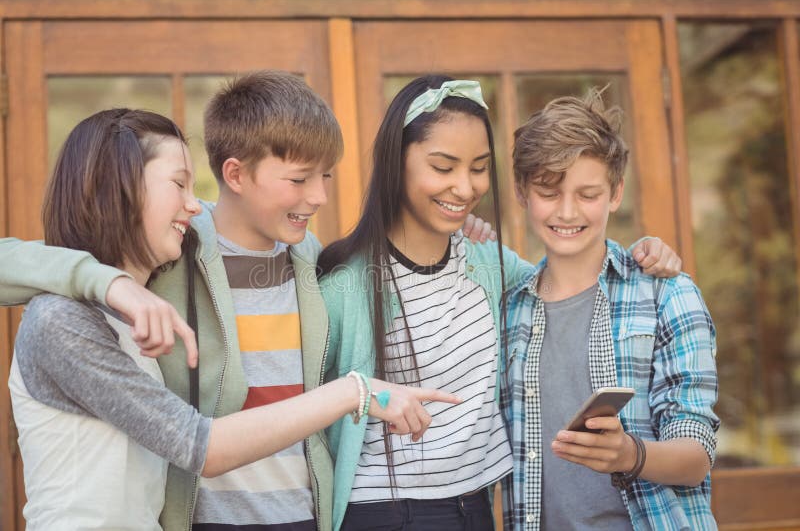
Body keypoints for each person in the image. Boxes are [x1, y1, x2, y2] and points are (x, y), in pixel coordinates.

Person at [3, 73, 456, 531]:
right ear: (118, 189)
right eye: (179, 185)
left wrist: (457, 234)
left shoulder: (305, 261)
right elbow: (202, 446)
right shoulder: (68, 317)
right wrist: (110, 283)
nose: (193, 203)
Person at [316, 75, 682, 531]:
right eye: (443, 167)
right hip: (384, 511)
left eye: (478, 167)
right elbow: (307, 410)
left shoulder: (491, 265)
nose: (465, 187)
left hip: (476, 507)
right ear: (398, 163)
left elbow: (571, 277)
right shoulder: (345, 286)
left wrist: (643, 252)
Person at [500, 89, 719, 530]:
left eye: (587, 194)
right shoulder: (509, 309)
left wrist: (630, 455)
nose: (566, 211)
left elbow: (697, 455)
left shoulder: (668, 295)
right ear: (523, 193)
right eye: (548, 191)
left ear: (616, 193)